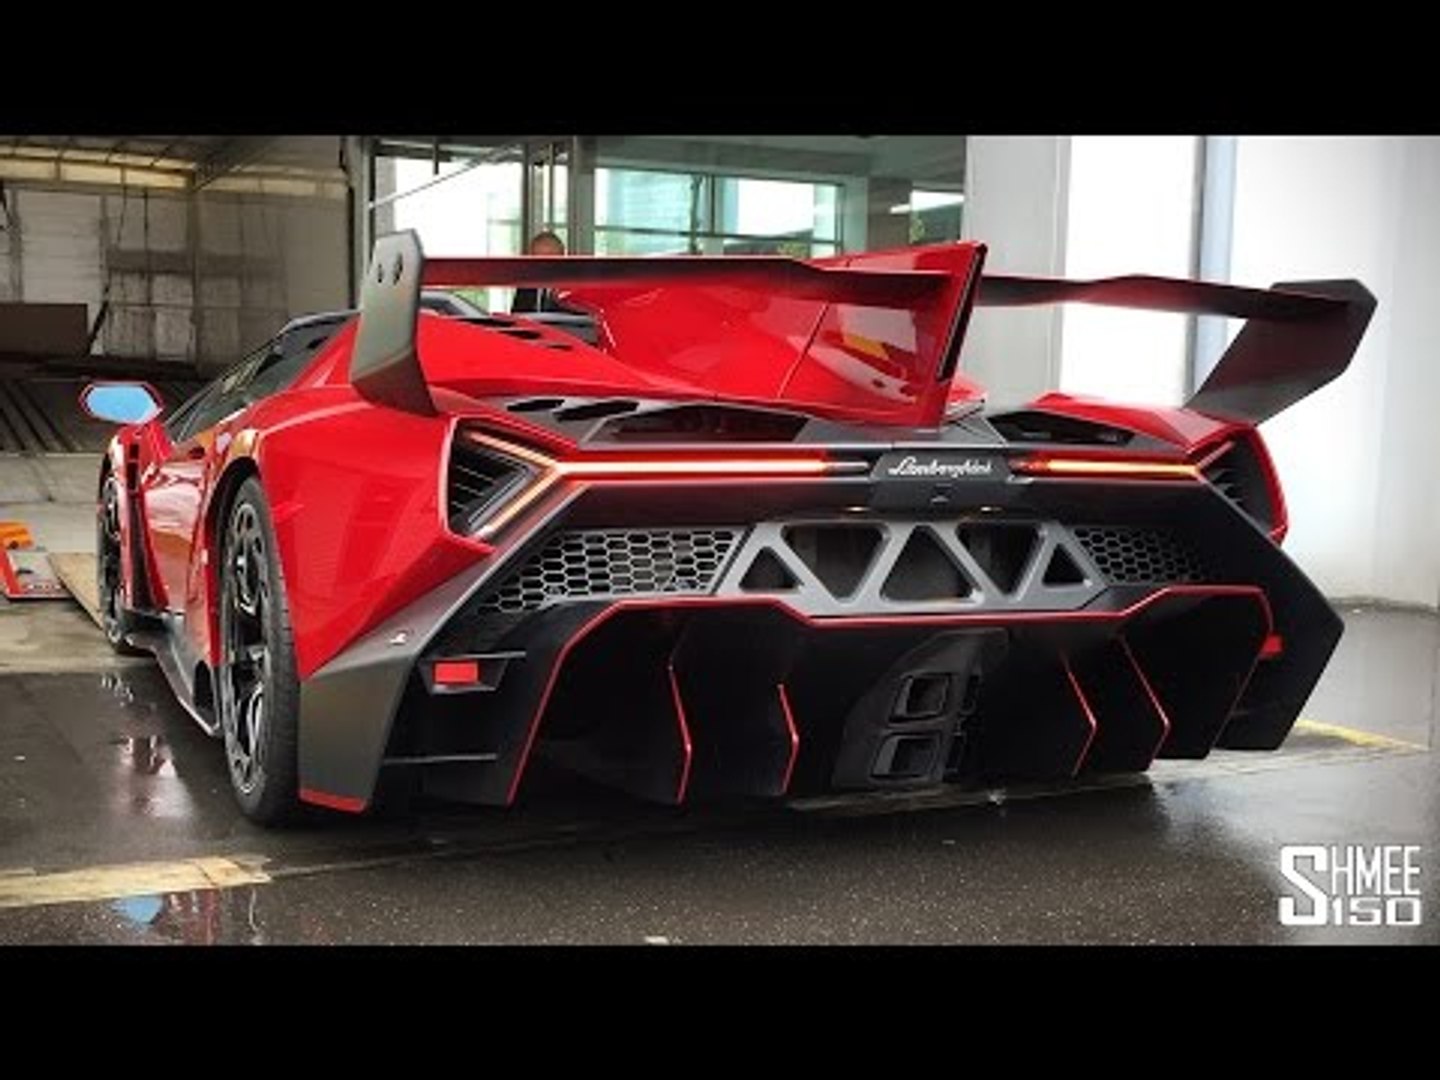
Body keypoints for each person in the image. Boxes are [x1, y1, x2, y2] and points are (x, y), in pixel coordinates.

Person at [511, 230, 569, 314]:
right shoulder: (526, 286)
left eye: (549, 258)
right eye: (537, 259)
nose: (543, 264)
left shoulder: (573, 287)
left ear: (563, 258)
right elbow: (516, 317)